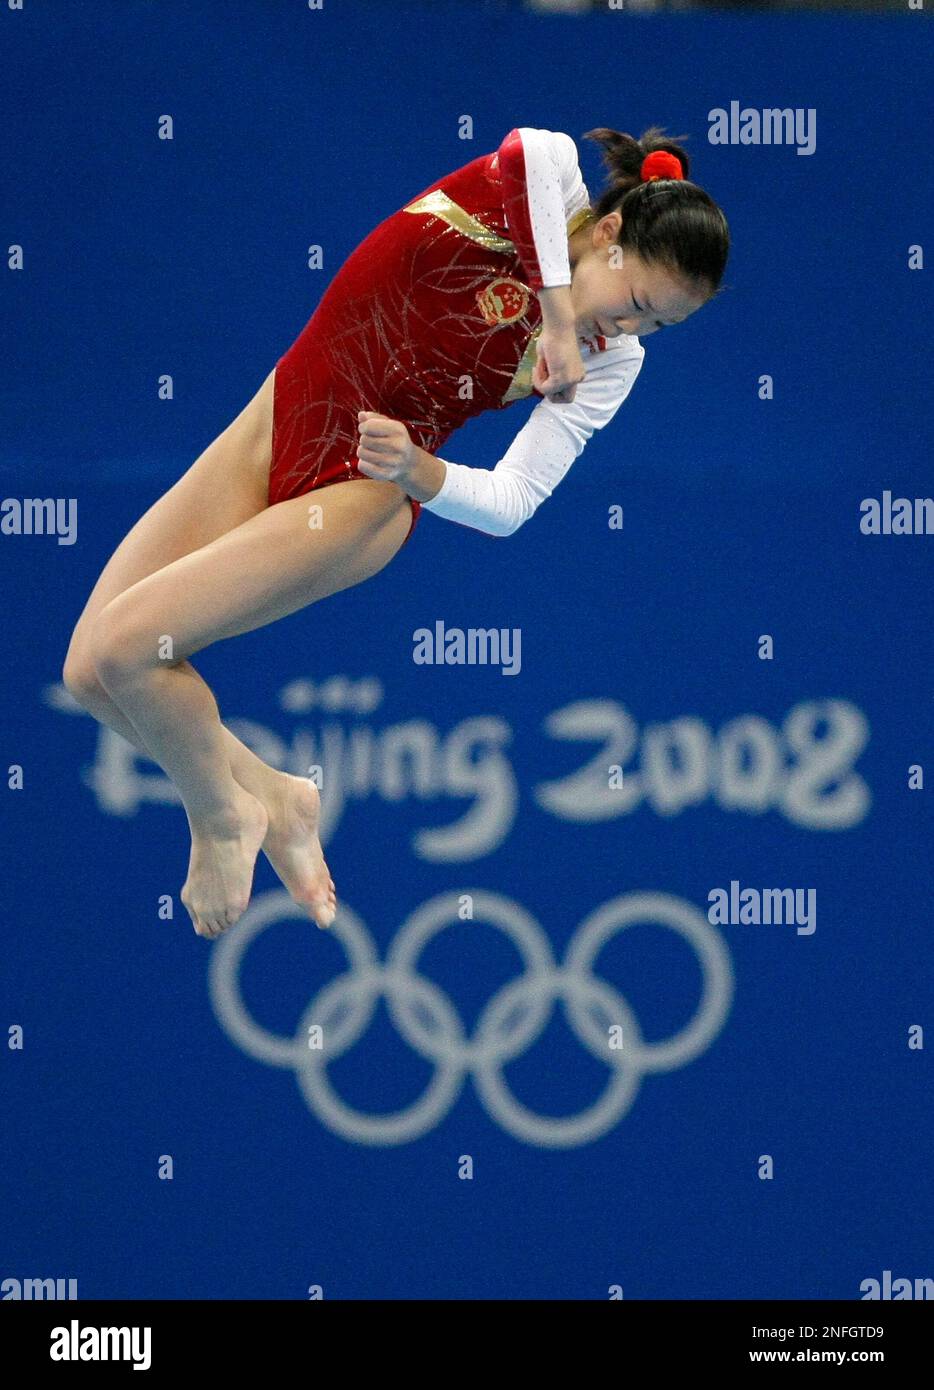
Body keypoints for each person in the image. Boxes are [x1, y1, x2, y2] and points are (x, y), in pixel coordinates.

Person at [62, 124, 729, 941]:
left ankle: (221, 818)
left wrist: (421, 474)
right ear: (608, 235)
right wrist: (558, 322)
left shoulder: (613, 365)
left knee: (132, 648)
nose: (628, 334)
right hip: (278, 418)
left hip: (361, 493)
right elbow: (530, 150)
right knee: (89, 671)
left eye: (657, 328)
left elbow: (515, 498)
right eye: (635, 306)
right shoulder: (543, 192)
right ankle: (275, 796)